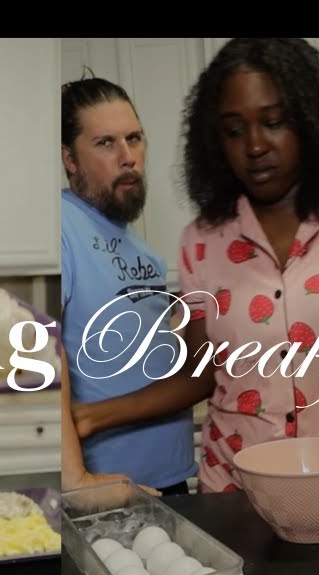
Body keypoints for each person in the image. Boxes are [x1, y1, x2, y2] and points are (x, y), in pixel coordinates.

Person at [72, 38, 319, 497]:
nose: (256, 145)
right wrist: (90, 416)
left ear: (310, 121)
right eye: (234, 130)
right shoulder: (202, 242)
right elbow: (202, 371)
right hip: (240, 495)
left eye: (274, 122)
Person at [60, 76, 196, 494]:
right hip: (110, 487)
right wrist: (76, 480)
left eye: (134, 139)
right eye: (105, 143)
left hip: (172, 478)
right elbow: (45, 353)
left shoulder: (142, 249)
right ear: (70, 159)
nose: (128, 157)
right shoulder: (62, 227)